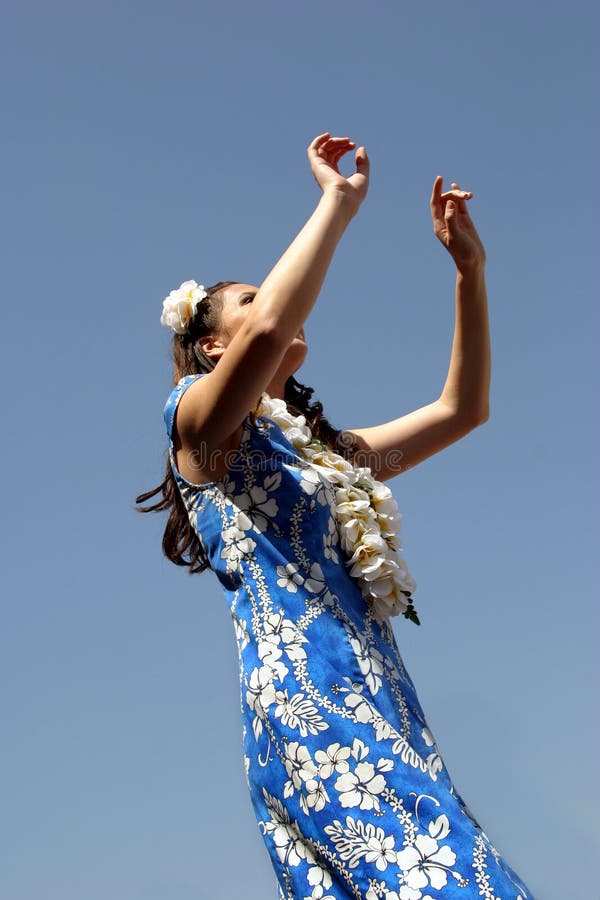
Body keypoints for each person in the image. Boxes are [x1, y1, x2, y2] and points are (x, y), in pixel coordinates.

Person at [136, 133, 533, 899]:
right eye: (252, 299)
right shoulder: (201, 431)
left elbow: (462, 410)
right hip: (311, 701)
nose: (273, 307)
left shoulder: (327, 455)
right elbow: (267, 332)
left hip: (380, 688)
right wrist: (338, 203)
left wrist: (470, 272)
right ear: (212, 344)